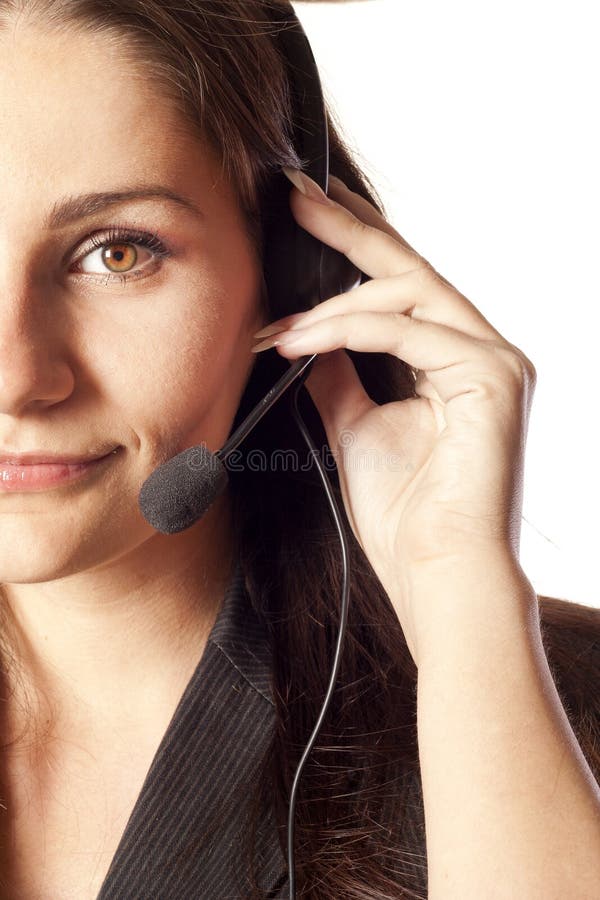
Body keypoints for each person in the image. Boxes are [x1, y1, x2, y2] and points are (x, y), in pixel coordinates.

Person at [0, 1, 598, 898]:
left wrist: (463, 602)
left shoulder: (548, 707)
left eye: (117, 254)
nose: (16, 378)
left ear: (293, 273)